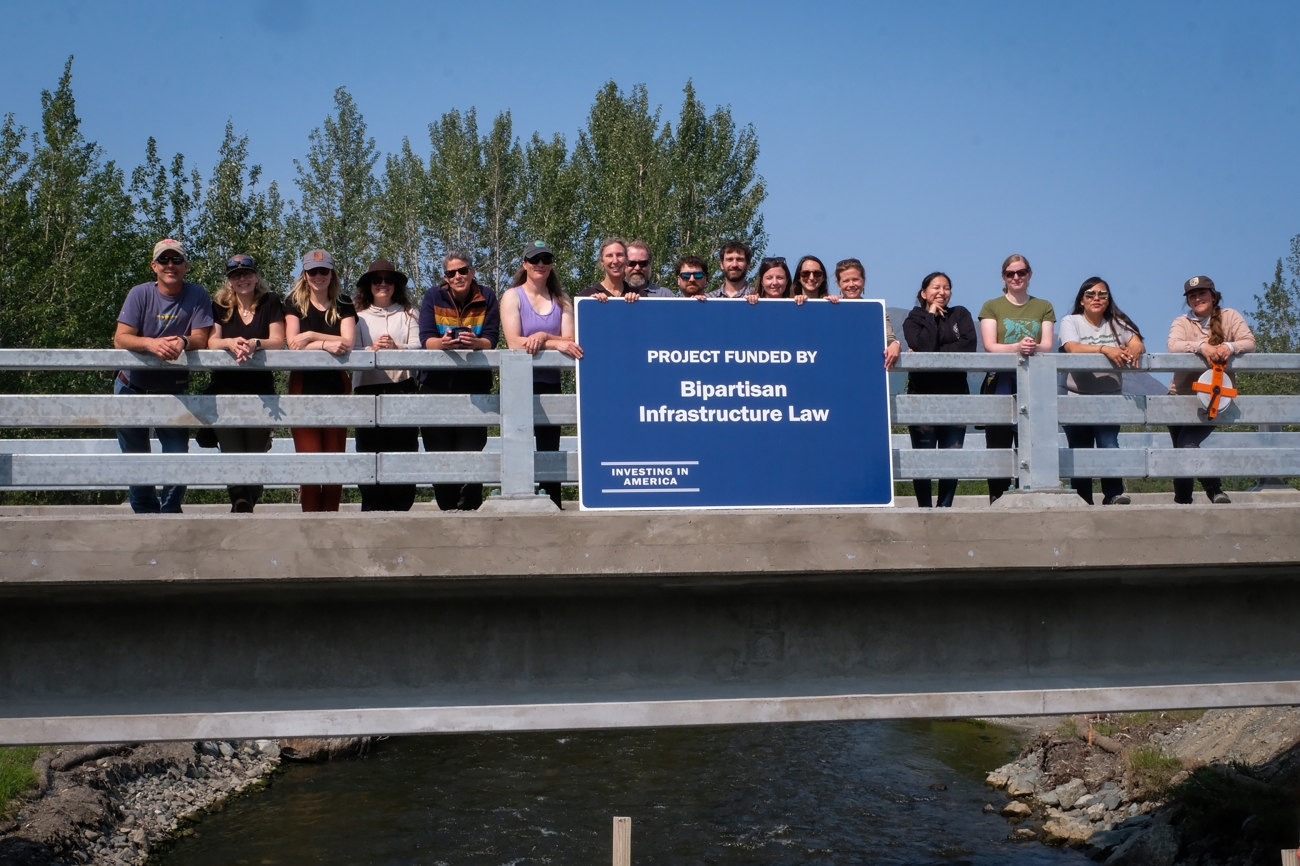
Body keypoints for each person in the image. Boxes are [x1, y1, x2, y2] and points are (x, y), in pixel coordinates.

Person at [112, 239, 213, 514]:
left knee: (178, 452)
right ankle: (144, 511)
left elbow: (201, 337)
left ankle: (170, 509)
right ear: (154, 266)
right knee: (136, 456)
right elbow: (120, 338)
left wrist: (183, 341)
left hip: (174, 388)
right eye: (164, 260)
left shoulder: (197, 295)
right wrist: (151, 344)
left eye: (177, 260)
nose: (171, 265)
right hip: (132, 385)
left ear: (186, 266)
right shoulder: (140, 294)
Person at [501, 241, 583, 507]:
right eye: (534, 259)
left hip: (550, 383)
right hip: (519, 386)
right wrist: (554, 342)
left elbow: (569, 340)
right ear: (524, 263)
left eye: (545, 259)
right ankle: (519, 503)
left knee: (550, 448)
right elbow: (514, 343)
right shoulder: (512, 296)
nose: (540, 264)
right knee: (520, 448)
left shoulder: (562, 300)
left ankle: (553, 505)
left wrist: (543, 336)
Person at [418, 249, 501, 511]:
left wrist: (475, 343)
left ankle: (469, 513)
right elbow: (426, 339)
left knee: (471, 455)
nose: (457, 276)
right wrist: (443, 343)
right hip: (434, 388)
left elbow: (491, 339)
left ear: (472, 272)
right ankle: (446, 512)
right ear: (445, 277)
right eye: (451, 273)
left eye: (462, 270)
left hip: (474, 387)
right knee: (439, 455)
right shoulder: (433, 296)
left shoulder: (487, 296)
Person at [1166, 276, 1256, 505]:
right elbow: (1173, 345)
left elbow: (1249, 342)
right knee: (1180, 451)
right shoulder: (1182, 322)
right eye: (1192, 295)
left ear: (1213, 296)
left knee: (1187, 444)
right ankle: (1183, 500)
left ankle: (1214, 489)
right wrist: (1201, 347)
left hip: (1214, 396)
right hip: (1180, 395)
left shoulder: (1230, 317)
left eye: (1202, 293)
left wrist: (1229, 346)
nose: (1197, 298)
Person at [207, 254, 285, 513]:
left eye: (246, 273)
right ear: (229, 281)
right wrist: (230, 343)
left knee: (255, 452)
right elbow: (211, 341)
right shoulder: (219, 305)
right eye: (236, 275)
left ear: (256, 276)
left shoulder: (270, 301)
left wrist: (255, 343)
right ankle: (240, 502)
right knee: (231, 450)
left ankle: (248, 501)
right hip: (225, 388)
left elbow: (278, 340)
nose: (242, 279)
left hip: (260, 389)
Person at [1059, 277, 1145, 505]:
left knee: (1109, 444)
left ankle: (1114, 493)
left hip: (1109, 397)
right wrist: (1105, 349)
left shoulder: (1117, 322)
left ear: (1108, 300)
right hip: (1075, 396)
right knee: (1080, 450)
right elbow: (1073, 348)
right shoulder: (1071, 321)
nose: (1096, 298)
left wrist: (1135, 346)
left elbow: (1137, 342)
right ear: (1082, 300)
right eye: (1090, 294)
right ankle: (1083, 499)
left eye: (1102, 294)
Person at [977, 254, 1056, 503]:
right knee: (998, 446)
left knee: (1031, 444)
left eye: (1021, 272)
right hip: (1000, 382)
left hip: (1033, 384)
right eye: (1010, 274)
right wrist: (1018, 347)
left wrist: (1031, 347)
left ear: (1029, 275)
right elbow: (990, 345)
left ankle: (1030, 497)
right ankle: (997, 498)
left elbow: (1047, 345)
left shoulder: (1044, 306)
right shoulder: (991, 306)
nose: (1016, 277)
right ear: (1004, 277)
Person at [284, 249, 356, 512]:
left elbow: (348, 342)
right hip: (303, 387)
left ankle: (332, 519)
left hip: (337, 386)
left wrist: (313, 337)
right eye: (312, 271)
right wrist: (327, 343)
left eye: (323, 270)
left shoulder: (344, 303)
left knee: (335, 459)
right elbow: (293, 344)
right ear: (304, 274)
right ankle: (311, 521)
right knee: (309, 461)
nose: (318, 276)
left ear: (331, 273)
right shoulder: (293, 303)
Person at [352, 259, 421, 512]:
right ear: (368, 286)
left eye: (388, 280)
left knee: (404, 447)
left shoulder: (410, 313)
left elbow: (418, 347)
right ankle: (371, 506)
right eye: (377, 280)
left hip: (403, 387)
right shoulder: (356, 316)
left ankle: (402, 507)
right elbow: (351, 351)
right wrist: (371, 350)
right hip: (367, 388)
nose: (383, 284)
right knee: (368, 449)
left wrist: (396, 348)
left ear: (396, 285)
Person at [902, 272, 977, 507]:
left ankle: (945, 507)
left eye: (946, 288)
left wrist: (933, 349)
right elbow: (923, 345)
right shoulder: (913, 319)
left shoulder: (960, 314)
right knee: (922, 457)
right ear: (924, 293)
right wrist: (931, 315)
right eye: (936, 287)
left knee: (951, 455)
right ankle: (923, 507)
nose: (941, 292)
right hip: (921, 397)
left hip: (956, 396)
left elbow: (968, 346)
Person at [830, 258, 901, 369]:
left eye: (855, 279)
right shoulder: (829, 308)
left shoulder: (876, 310)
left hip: (866, 369)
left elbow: (888, 338)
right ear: (839, 284)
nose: (851, 284)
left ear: (863, 280)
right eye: (846, 281)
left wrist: (895, 344)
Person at [578, 237, 639, 303]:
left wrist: (638, 304)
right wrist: (593, 304)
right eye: (609, 256)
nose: (615, 261)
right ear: (602, 261)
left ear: (626, 259)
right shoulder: (586, 295)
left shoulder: (639, 295)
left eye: (619, 255)